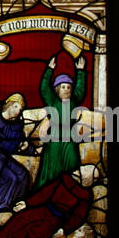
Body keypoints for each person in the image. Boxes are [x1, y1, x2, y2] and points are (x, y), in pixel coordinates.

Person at [0, 165, 98, 238]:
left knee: (36, 232)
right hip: (44, 209)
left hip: (57, 219)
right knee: (21, 218)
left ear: (85, 178)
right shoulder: (64, 179)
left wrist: (64, 229)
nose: (78, 169)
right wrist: (28, 203)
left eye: (82, 170)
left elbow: (78, 216)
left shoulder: (84, 196)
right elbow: (45, 193)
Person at [0, 92, 37, 215]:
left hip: (3, 157)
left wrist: (28, 148)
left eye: (20, 109)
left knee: (23, 175)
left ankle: (15, 206)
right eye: (16, 107)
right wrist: (17, 146)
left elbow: (19, 142)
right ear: (9, 105)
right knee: (11, 178)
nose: (18, 111)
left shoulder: (17, 125)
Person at [35, 53, 88, 188]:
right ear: (57, 89)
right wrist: (49, 70)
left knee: (71, 164)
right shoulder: (52, 101)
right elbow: (44, 88)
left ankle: (69, 194)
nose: (66, 90)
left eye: (69, 87)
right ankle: (46, 194)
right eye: (63, 87)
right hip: (54, 139)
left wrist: (81, 71)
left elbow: (81, 89)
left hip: (70, 137)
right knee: (52, 168)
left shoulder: (74, 100)